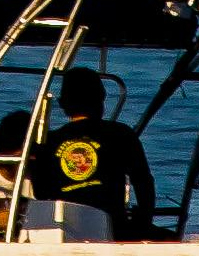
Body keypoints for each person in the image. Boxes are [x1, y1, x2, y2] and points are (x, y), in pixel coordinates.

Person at [33, 68, 156, 241]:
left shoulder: (49, 142)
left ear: (62, 104)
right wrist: (144, 222)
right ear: (101, 99)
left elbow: (41, 193)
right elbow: (143, 183)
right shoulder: (121, 134)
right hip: (113, 231)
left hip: (62, 232)